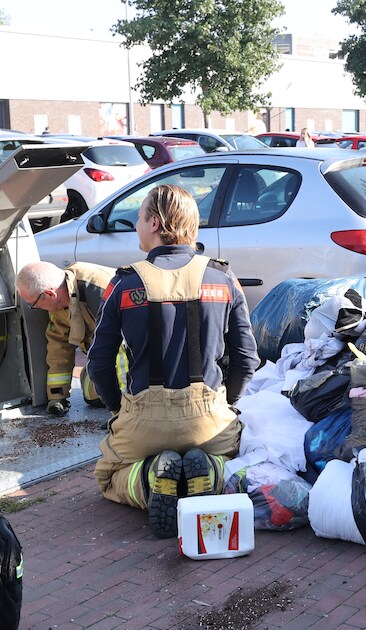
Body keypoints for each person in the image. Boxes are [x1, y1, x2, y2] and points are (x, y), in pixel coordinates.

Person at [87, 184, 259, 538]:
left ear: (154, 223)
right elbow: (246, 358)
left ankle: (149, 479)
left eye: (138, 217)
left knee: (107, 476)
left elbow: (98, 364)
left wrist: (120, 409)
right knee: (234, 457)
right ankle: (210, 471)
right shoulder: (222, 277)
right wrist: (227, 402)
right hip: (208, 423)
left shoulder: (124, 283)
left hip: (142, 423)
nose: (136, 224)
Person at [14, 260, 121, 415]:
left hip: (143, 356)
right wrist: (56, 397)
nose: (36, 309)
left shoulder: (101, 290)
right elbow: (59, 347)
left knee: (110, 392)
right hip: (106, 356)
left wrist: (121, 413)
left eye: (34, 305)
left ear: (50, 294)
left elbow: (128, 345)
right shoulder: (62, 299)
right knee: (93, 396)